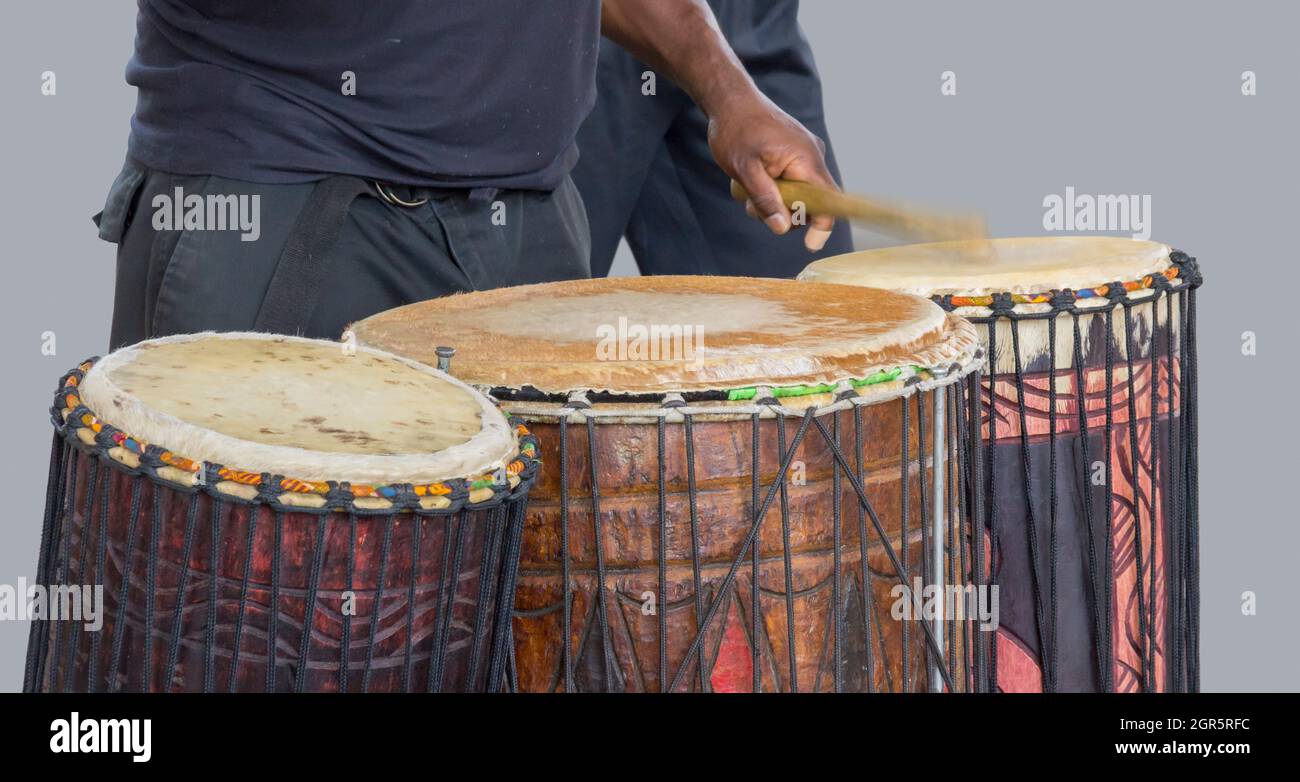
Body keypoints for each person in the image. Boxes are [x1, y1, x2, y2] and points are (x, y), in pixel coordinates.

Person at [99, 0, 841, 349]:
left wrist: (728, 92)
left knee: (525, 632)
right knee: (268, 633)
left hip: (528, 225)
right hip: (286, 202)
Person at [574, 0, 853, 278]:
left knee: (806, 301)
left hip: (745, 21)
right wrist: (730, 96)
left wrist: (732, 94)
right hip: (586, 29)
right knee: (548, 299)